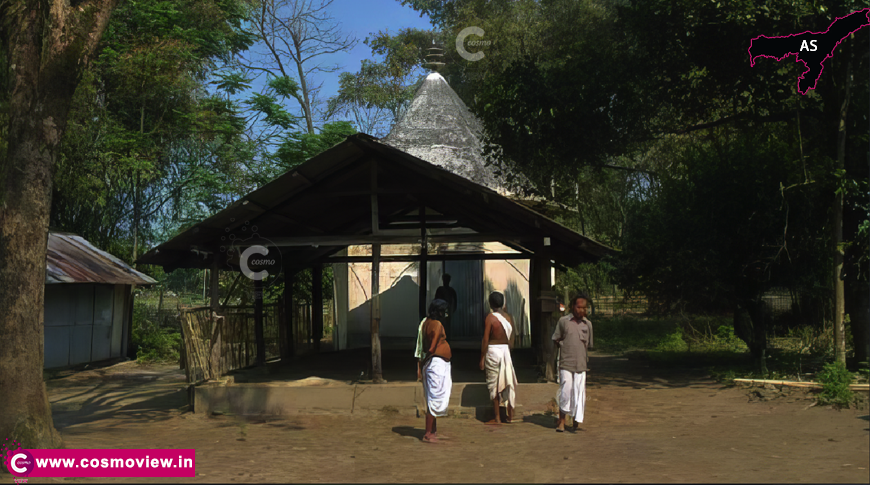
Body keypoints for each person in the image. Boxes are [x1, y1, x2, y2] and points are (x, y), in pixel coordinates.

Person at [552, 293, 594, 432]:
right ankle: (562, 421)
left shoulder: (588, 325)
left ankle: (576, 420)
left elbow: (588, 345)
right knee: (566, 391)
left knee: (579, 393)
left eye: (584, 307)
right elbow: (556, 339)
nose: (581, 310)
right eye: (579, 307)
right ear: (572, 307)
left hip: (581, 365)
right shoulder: (564, 322)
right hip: (566, 363)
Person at [479, 291, 518, 424]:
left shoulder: (490, 318)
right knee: (508, 382)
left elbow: (485, 339)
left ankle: (497, 417)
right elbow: (513, 338)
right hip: (505, 351)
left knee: (494, 384)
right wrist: (508, 350)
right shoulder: (509, 318)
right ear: (503, 303)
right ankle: (510, 416)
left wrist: (482, 357)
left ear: (490, 304)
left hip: (493, 351)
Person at [419, 299, 452, 443]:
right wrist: (425, 361)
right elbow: (431, 348)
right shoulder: (437, 325)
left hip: (435, 364)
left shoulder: (426, 322)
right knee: (434, 400)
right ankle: (428, 433)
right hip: (436, 364)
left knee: (433, 398)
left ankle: (433, 431)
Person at [434, 274, 457, 339]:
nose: (446, 281)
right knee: (441, 324)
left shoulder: (451, 290)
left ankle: (446, 337)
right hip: (441, 310)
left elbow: (455, 301)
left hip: (446, 310)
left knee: (446, 324)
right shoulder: (440, 289)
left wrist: (453, 309)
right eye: (445, 279)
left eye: (447, 280)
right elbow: (436, 300)